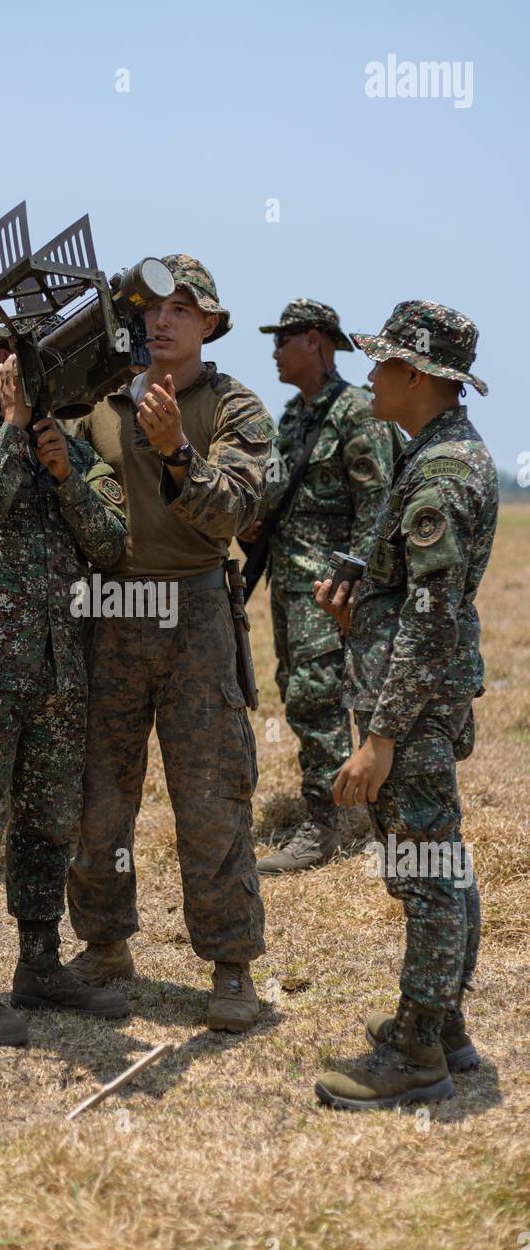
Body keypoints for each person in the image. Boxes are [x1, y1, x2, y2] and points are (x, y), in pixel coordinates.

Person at [65, 255, 275, 1034]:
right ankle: (104, 945)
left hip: (192, 614)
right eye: (151, 307)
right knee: (99, 794)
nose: (163, 320)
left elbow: (236, 514)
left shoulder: (233, 406)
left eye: (182, 309)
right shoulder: (99, 399)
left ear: (211, 324)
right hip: (111, 609)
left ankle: (230, 965)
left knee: (211, 794)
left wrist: (179, 452)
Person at [311, 301, 496, 1111]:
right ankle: (444, 1025)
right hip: (407, 692)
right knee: (435, 862)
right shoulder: (428, 453)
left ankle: (421, 1048)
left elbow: (433, 613)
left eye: (383, 363)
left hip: (410, 707)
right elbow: (403, 585)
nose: (371, 374)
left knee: (426, 871)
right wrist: (356, 597)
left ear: (416, 375)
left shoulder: (443, 475)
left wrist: (380, 739)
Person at [0, 352, 131, 1044]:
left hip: (58, 671)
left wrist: (67, 476)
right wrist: (11, 433)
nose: (38, 391)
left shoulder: (68, 449)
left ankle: (39, 965)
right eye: (19, 379)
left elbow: (113, 544)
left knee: (47, 822)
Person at [242, 300, 394, 872]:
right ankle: (341, 812)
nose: (274, 352)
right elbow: (276, 490)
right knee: (306, 693)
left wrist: (352, 584)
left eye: (283, 340)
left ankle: (328, 826)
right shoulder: (292, 416)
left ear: (314, 342)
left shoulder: (358, 412)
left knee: (326, 696)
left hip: (332, 588)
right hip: (290, 584)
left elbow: (376, 506)